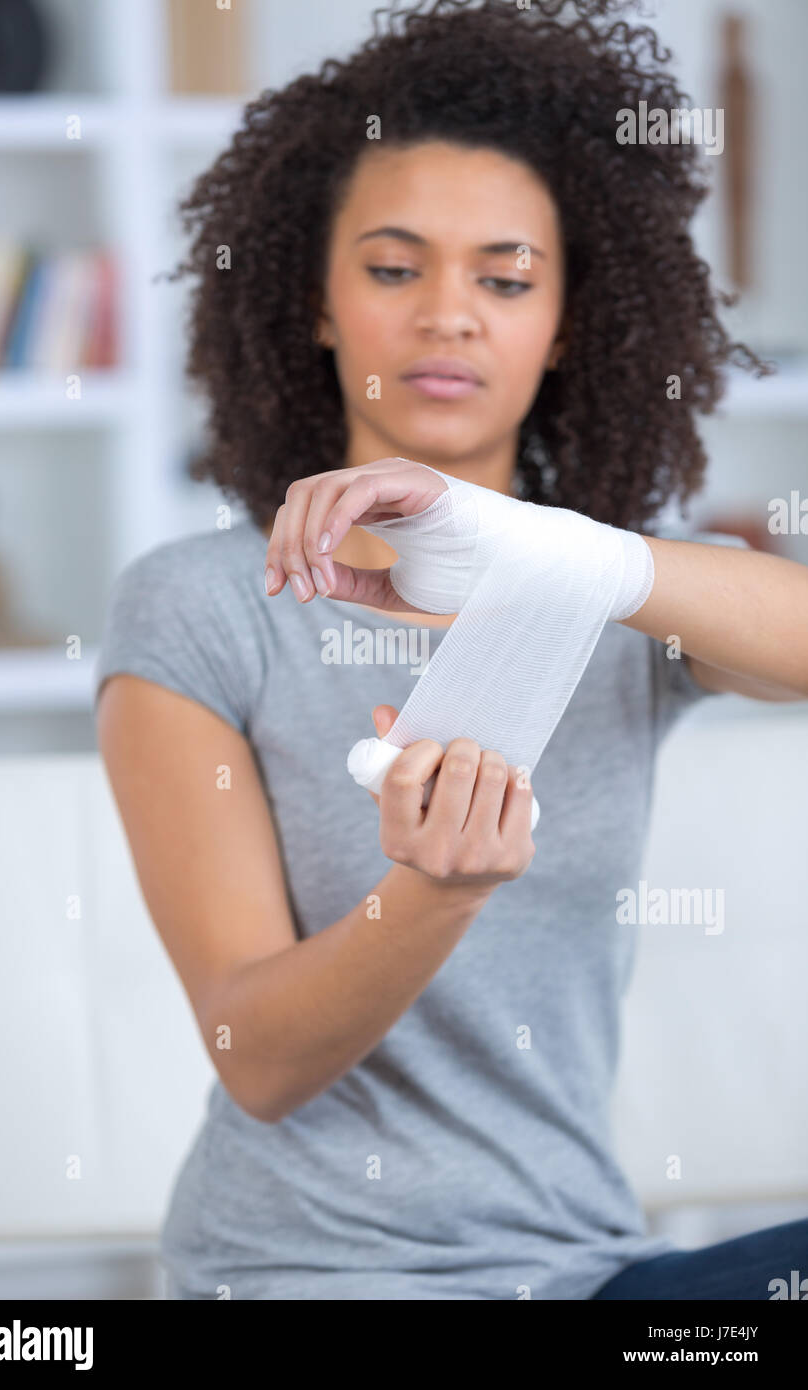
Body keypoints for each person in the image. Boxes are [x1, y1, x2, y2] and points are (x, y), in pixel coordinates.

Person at [94, 0, 808, 1299]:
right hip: (309, 1272)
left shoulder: (621, 594)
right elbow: (256, 1057)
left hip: (586, 1274)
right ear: (314, 304)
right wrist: (431, 892)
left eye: (505, 278)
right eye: (391, 268)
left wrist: (572, 560)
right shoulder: (201, 605)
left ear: (567, 323)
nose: (448, 315)